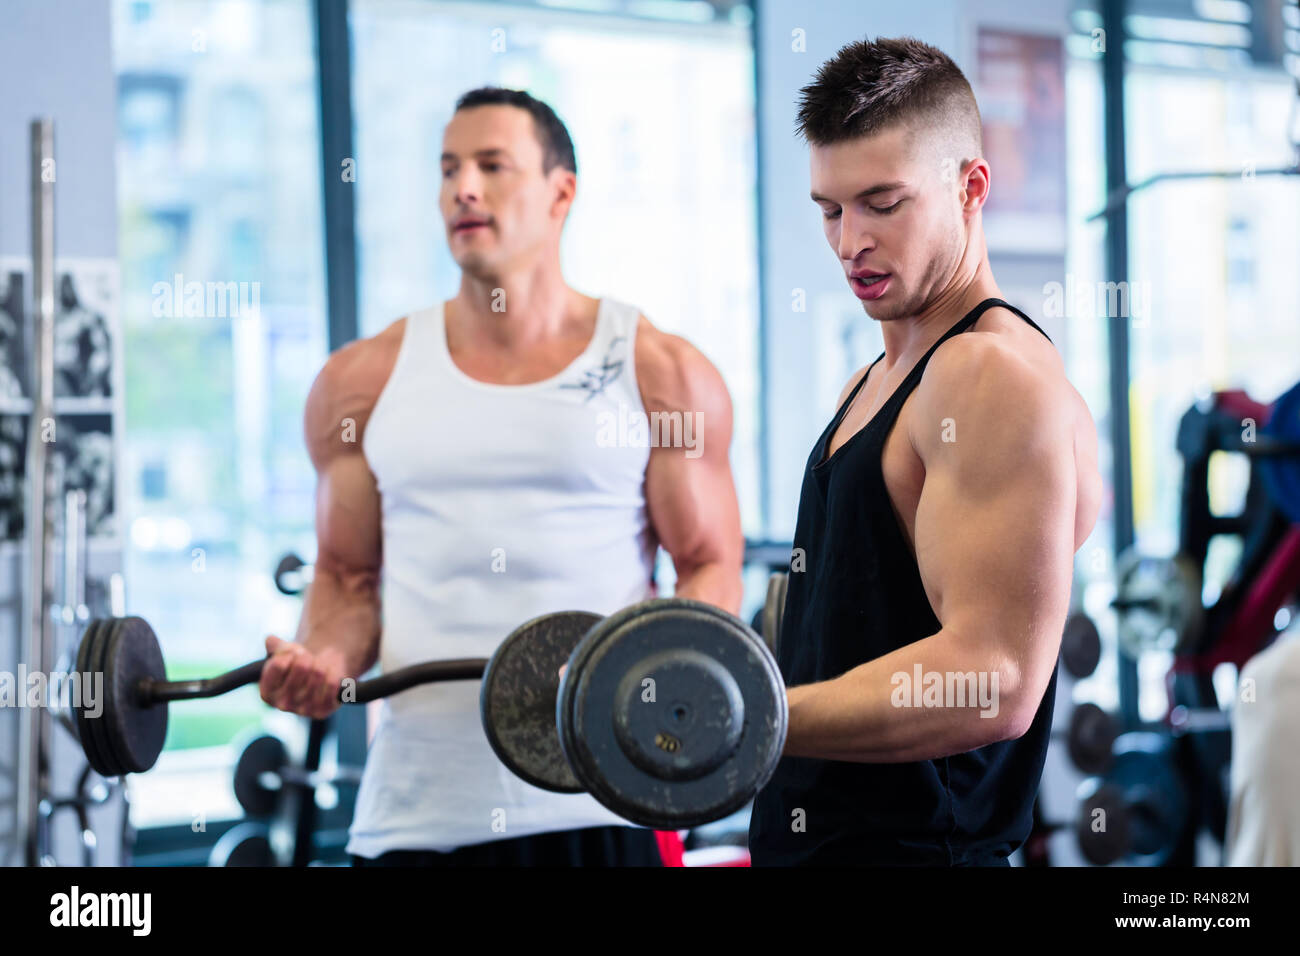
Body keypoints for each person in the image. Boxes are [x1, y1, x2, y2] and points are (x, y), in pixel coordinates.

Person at [258, 88, 744, 866]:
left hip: (604, 806)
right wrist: (321, 662)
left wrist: (646, 694)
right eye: (449, 169)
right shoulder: (361, 382)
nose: (464, 189)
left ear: (562, 192)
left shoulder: (659, 371)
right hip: (416, 818)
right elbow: (347, 582)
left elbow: (710, 567)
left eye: (492, 165)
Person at [748, 36, 1103, 866]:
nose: (849, 243)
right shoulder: (875, 378)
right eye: (830, 209)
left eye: (883, 203)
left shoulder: (989, 375)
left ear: (971, 186)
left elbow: (993, 678)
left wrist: (756, 720)